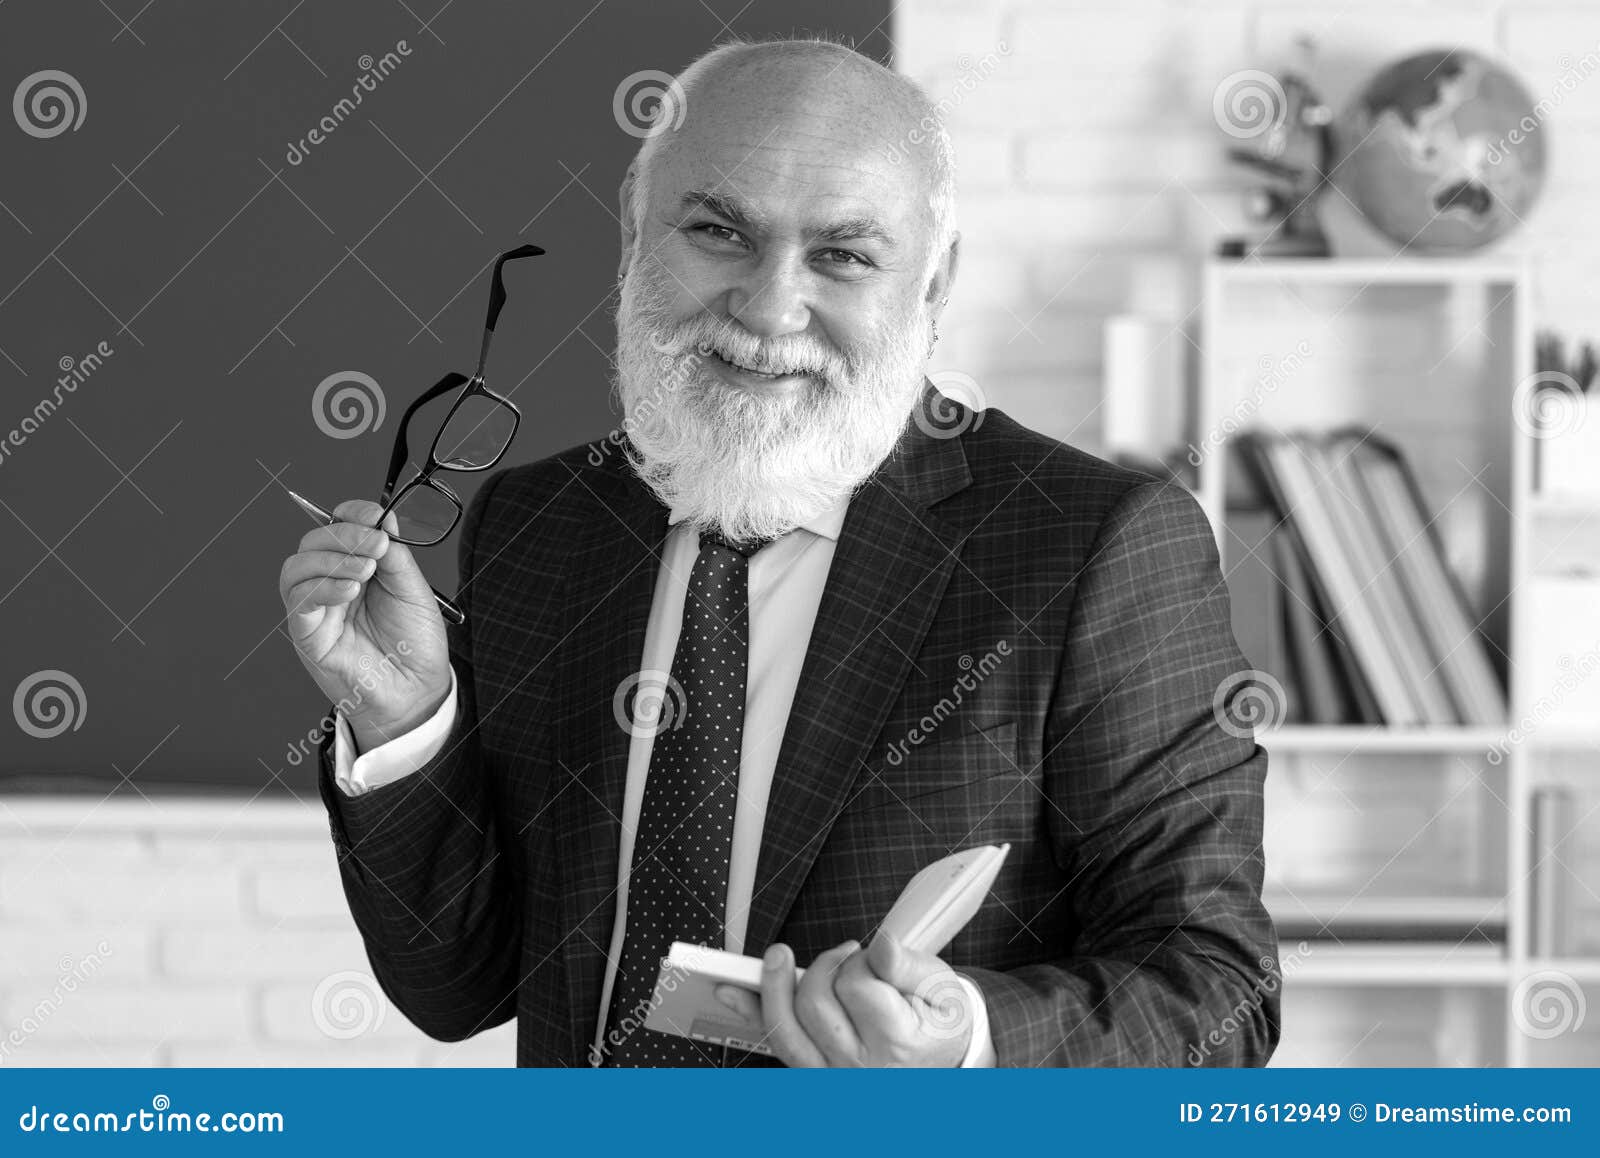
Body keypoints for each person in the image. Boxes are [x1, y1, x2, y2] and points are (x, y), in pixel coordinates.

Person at [277, 36, 1280, 1067]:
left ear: (933, 284)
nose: (767, 308)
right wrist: (401, 719)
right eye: (718, 230)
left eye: (842, 255)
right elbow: (461, 986)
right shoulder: (540, 525)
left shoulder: (1092, 544)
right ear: (634, 236)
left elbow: (1215, 987)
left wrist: (968, 1046)